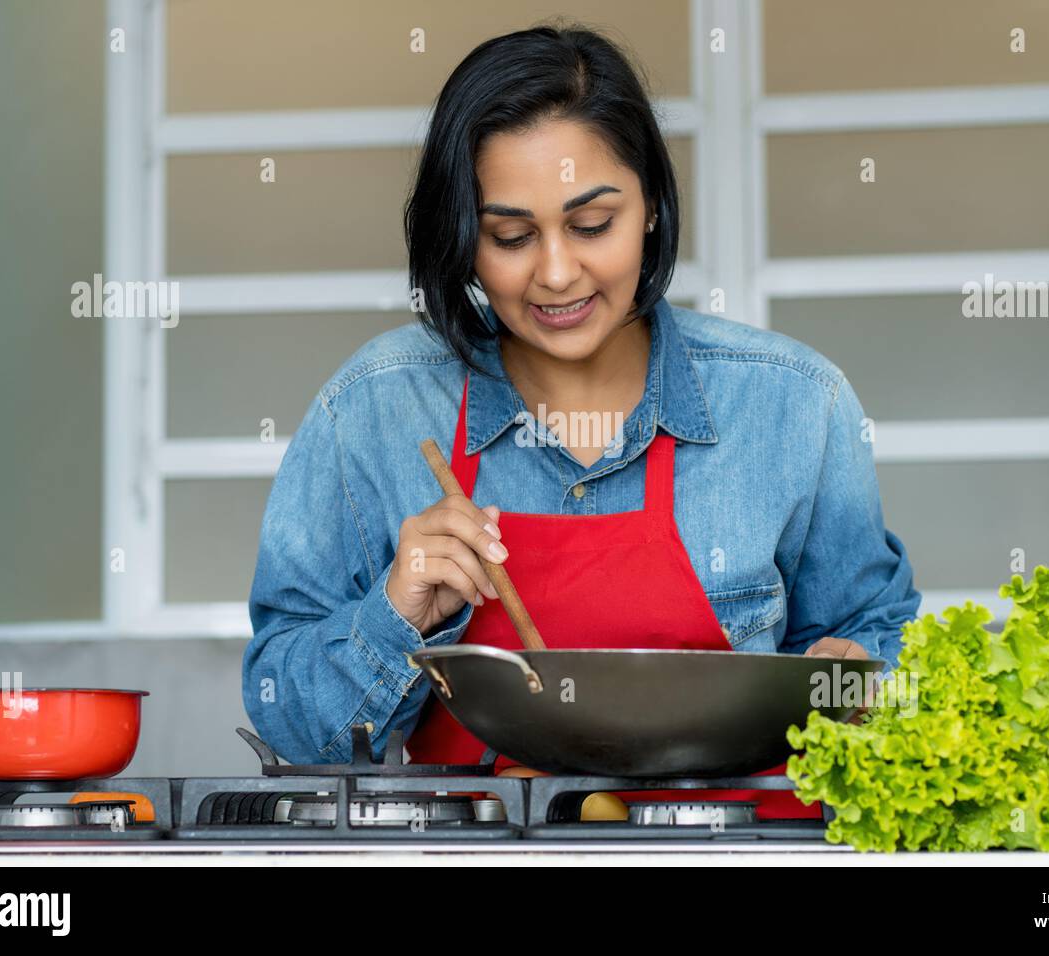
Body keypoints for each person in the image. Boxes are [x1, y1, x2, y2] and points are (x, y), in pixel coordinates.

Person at [243, 22, 920, 819]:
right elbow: (285, 711)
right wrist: (393, 615)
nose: (557, 273)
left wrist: (861, 677)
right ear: (463, 242)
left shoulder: (794, 404)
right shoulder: (375, 408)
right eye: (511, 236)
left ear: (653, 210)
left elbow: (885, 650)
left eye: (592, 224)